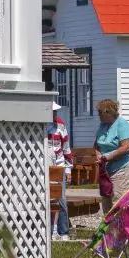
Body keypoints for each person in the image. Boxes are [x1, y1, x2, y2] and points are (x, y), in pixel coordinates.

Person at [94, 99, 129, 214]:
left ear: (108, 112)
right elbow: (97, 144)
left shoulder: (122, 124)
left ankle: (121, 229)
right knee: (106, 199)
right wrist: (98, 155)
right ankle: (108, 229)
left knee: (119, 200)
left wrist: (107, 157)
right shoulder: (103, 126)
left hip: (121, 167)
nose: (98, 115)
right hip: (106, 169)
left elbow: (126, 147)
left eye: (100, 112)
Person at [47, 101, 73, 241]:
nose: (55, 114)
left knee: (61, 199)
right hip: (44, 166)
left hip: (59, 166)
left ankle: (63, 231)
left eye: (56, 111)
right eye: (52, 111)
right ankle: (49, 229)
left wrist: (68, 169)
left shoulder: (61, 125)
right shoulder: (41, 125)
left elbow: (66, 149)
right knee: (47, 199)